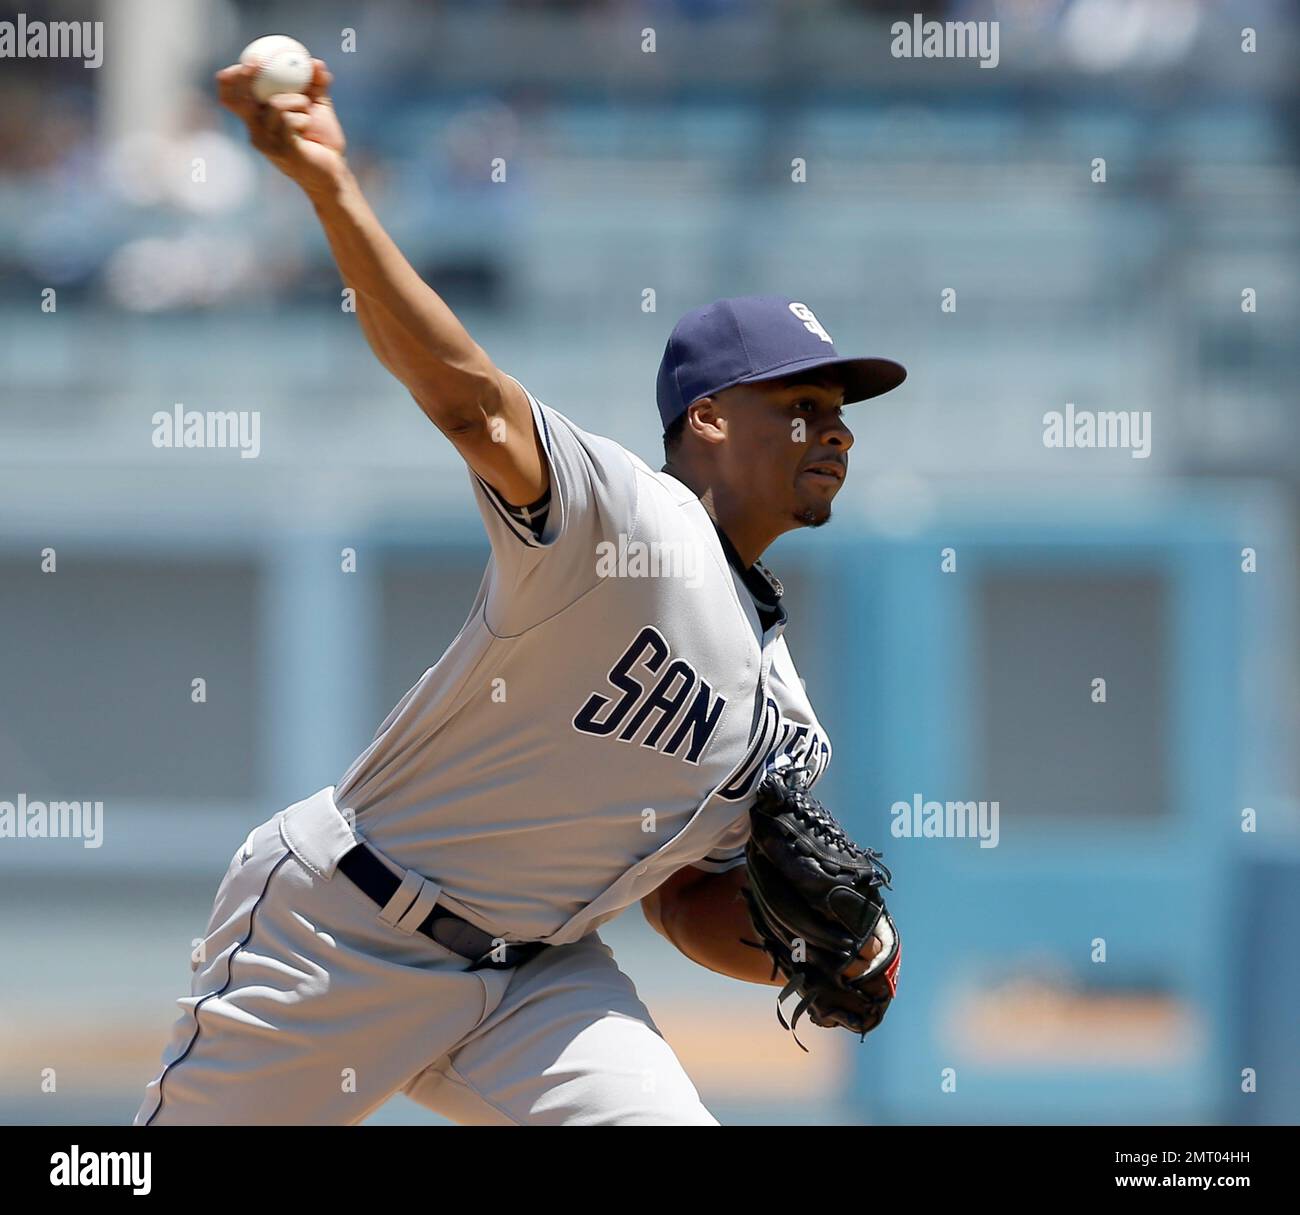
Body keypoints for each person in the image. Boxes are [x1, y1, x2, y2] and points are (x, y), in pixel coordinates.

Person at [133, 55, 906, 1127]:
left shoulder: (785, 715)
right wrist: (330, 189)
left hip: (540, 983)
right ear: (711, 418)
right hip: (345, 927)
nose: (835, 430)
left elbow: (686, 903)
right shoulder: (625, 520)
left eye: (841, 413)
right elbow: (471, 408)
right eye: (804, 404)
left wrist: (830, 948)